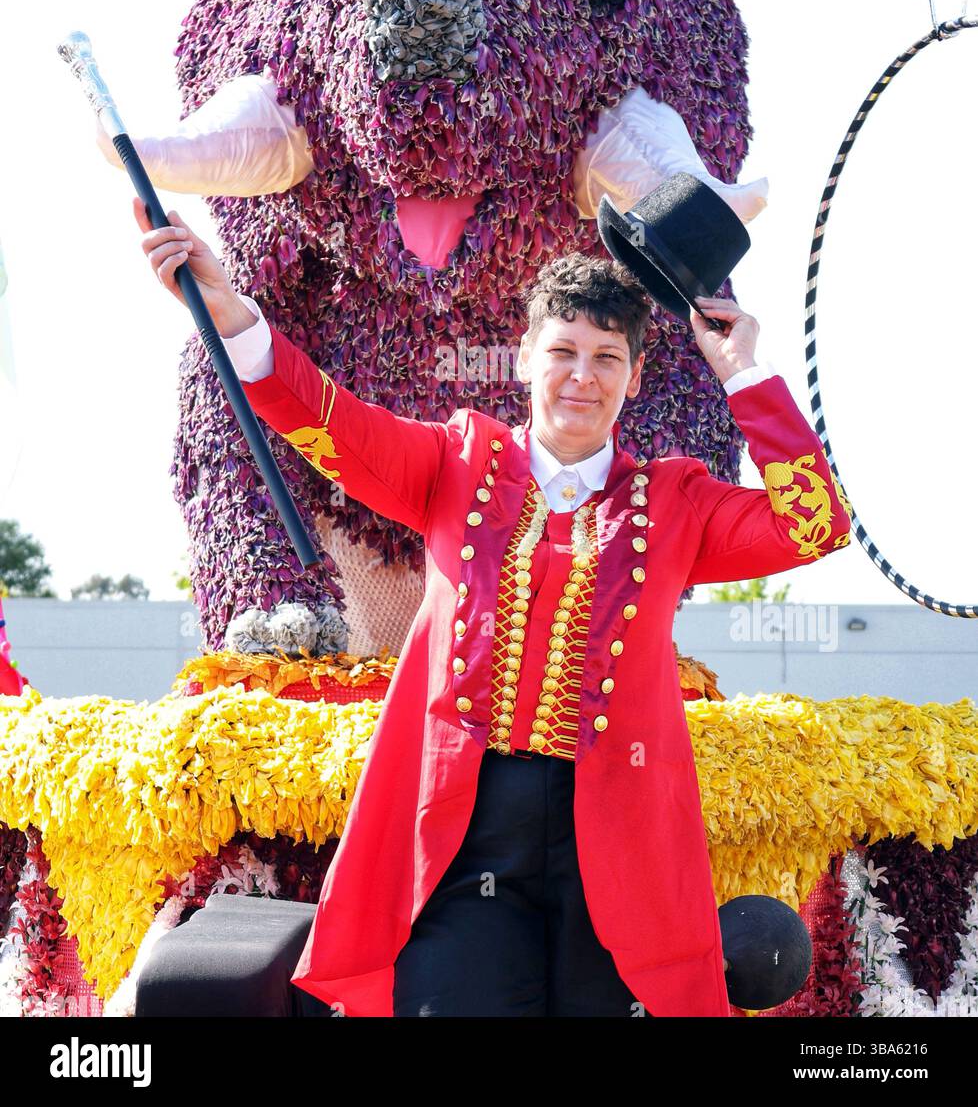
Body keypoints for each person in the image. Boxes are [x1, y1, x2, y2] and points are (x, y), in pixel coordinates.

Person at [135, 197, 851, 1017]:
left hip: (614, 853)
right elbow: (327, 418)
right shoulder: (456, 461)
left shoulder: (676, 500)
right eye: (564, 352)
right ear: (522, 360)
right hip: (464, 840)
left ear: (636, 375)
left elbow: (816, 523)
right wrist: (231, 312)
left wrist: (744, 375)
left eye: (608, 357)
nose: (583, 376)